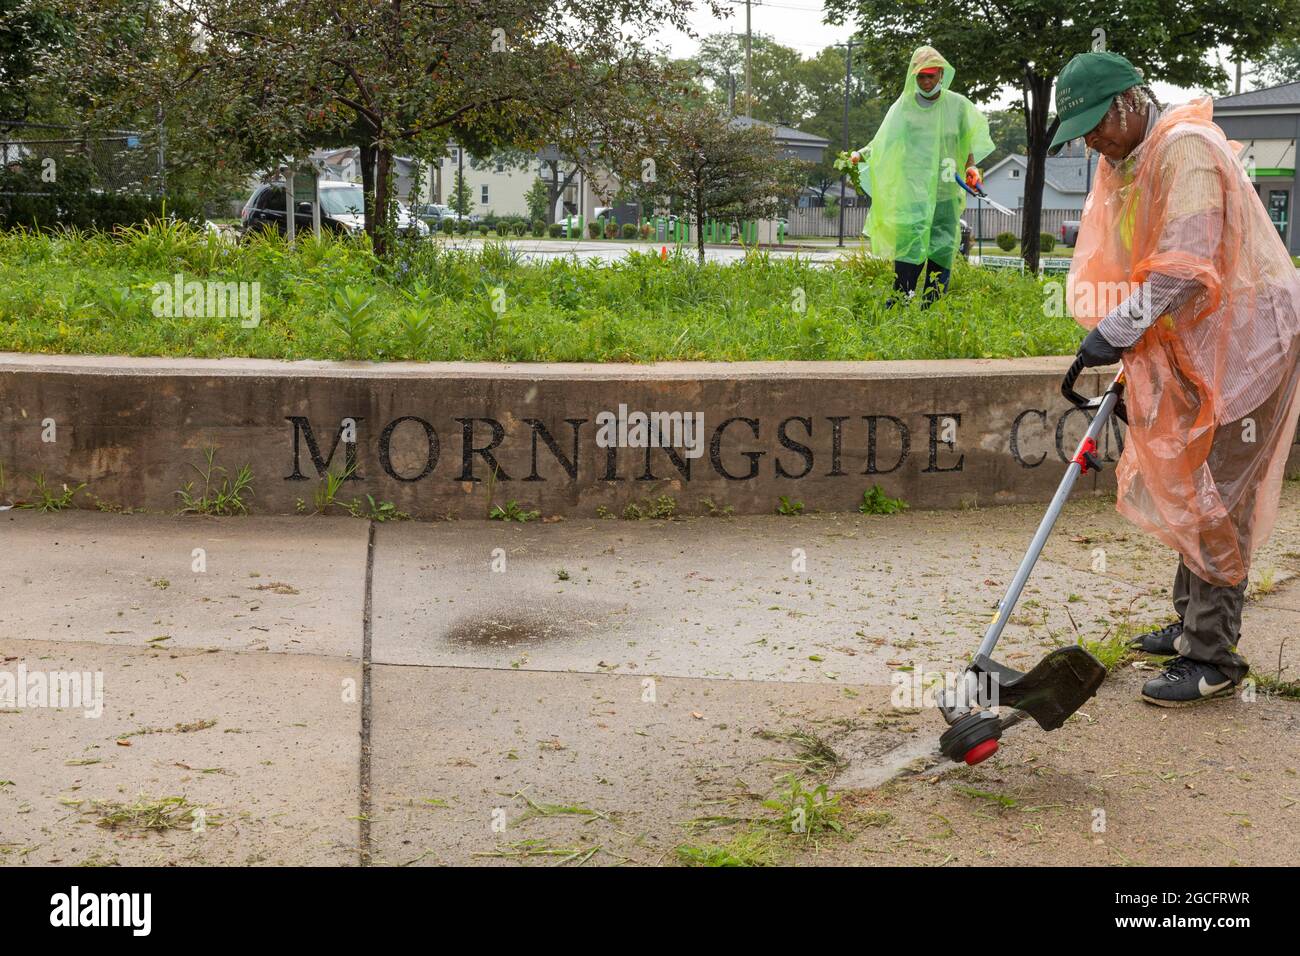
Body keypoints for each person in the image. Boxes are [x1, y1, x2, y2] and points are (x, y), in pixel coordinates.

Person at [1055, 51, 1300, 705]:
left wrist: (1117, 332)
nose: (1090, 141)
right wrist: (1136, 345)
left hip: (1252, 349)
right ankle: (1191, 622)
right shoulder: (1134, 161)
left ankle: (1213, 657)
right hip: (1205, 344)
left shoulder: (1185, 149)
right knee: (1194, 482)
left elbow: (1181, 269)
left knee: (1218, 495)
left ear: (1129, 104)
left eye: (1094, 124)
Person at [854, 46, 993, 304]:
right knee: (910, 243)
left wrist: (971, 168)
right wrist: (859, 155)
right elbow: (884, 140)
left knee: (941, 245)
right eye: (921, 76)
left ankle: (932, 303)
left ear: (941, 74)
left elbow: (966, 143)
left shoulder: (958, 105)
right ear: (914, 77)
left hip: (945, 190)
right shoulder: (904, 106)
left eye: (931, 75)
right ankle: (901, 297)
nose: (926, 81)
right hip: (913, 190)